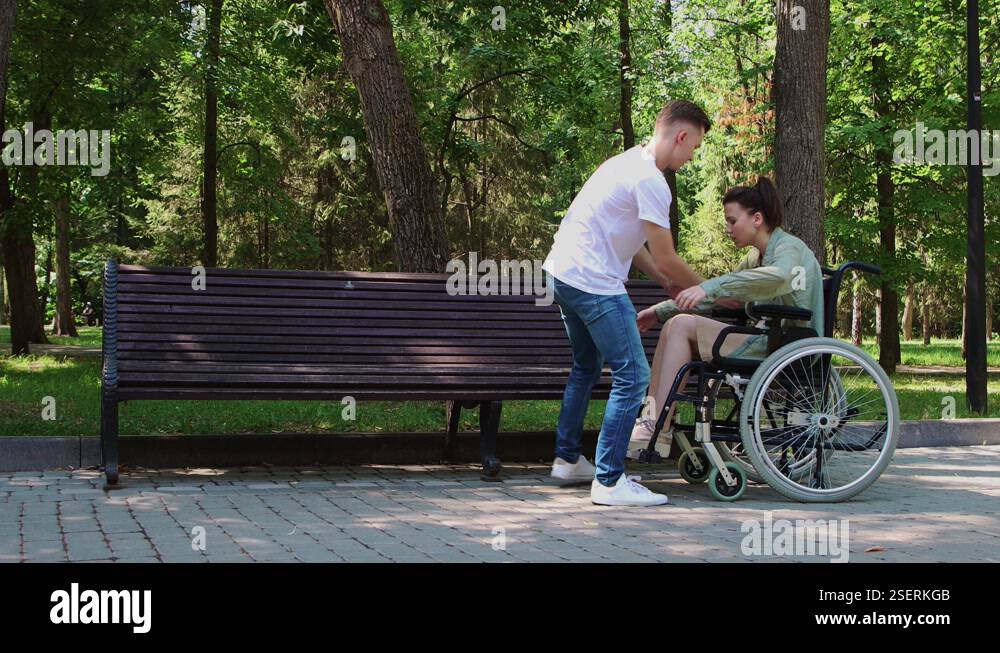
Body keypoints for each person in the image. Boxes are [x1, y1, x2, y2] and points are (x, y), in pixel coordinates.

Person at [542, 99, 712, 506]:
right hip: (594, 283)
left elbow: (636, 248)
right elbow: (668, 256)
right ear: (681, 135)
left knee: (585, 366)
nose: (692, 156)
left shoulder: (623, 164)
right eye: (695, 147)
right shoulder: (652, 182)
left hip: (563, 275)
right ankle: (610, 479)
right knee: (633, 376)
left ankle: (567, 460)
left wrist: (666, 284)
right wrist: (714, 289)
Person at [627, 176, 825, 459]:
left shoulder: (788, 249)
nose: (728, 228)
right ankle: (654, 420)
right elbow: (725, 296)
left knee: (681, 325)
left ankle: (657, 424)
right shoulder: (755, 257)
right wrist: (661, 311)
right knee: (674, 324)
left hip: (785, 347)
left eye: (733, 221)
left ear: (757, 218)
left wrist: (708, 287)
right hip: (767, 340)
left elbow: (776, 278)